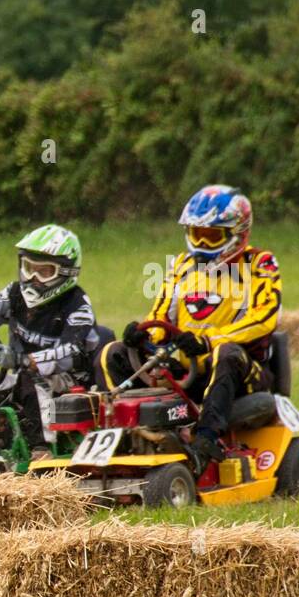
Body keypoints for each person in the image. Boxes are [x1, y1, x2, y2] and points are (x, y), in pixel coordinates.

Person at [93, 185, 281, 471]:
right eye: (197, 235)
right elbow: (162, 313)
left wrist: (209, 341)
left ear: (237, 234)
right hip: (187, 368)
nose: (202, 244)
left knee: (226, 353)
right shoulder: (182, 265)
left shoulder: (259, 264)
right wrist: (145, 334)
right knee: (113, 352)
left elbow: (264, 317)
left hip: (242, 370)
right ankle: (121, 432)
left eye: (211, 236)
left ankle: (204, 442)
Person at [0, 224, 100, 453]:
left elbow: (72, 352)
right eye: (28, 268)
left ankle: (41, 449)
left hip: (69, 381)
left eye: (44, 272)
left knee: (31, 378)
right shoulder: (14, 294)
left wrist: (23, 360)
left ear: (66, 273)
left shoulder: (77, 305)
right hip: (18, 374)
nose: (33, 278)